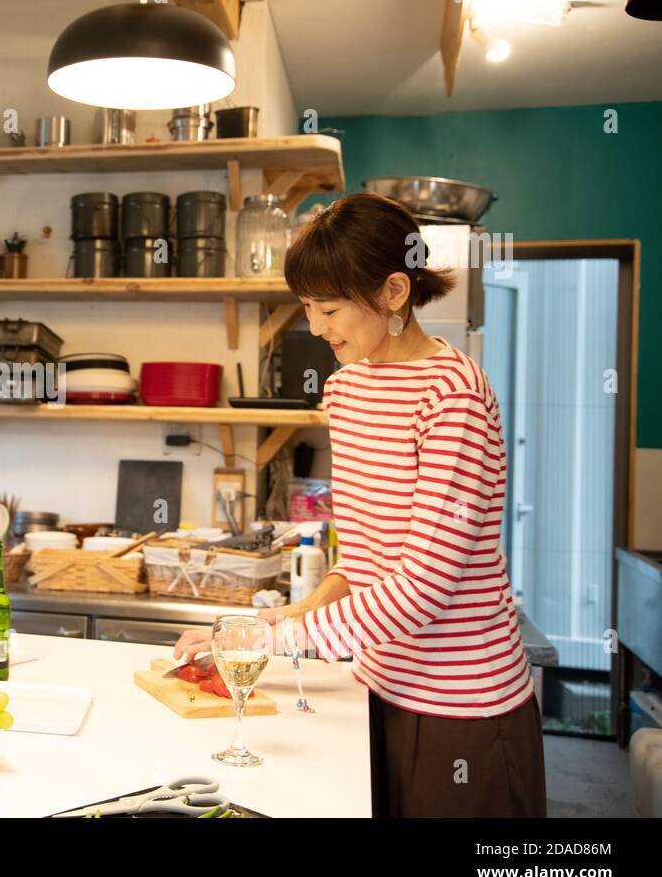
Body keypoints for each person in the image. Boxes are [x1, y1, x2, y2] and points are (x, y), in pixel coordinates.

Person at [176, 192, 546, 817]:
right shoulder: (347, 390)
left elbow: (423, 586)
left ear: (394, 291)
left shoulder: (452, 394)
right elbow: (365, 563)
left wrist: (272, 643)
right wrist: (265, 625)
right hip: (373, 688)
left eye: (329, 308)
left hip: (461, 708)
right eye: (306, 309)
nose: (316, 327)